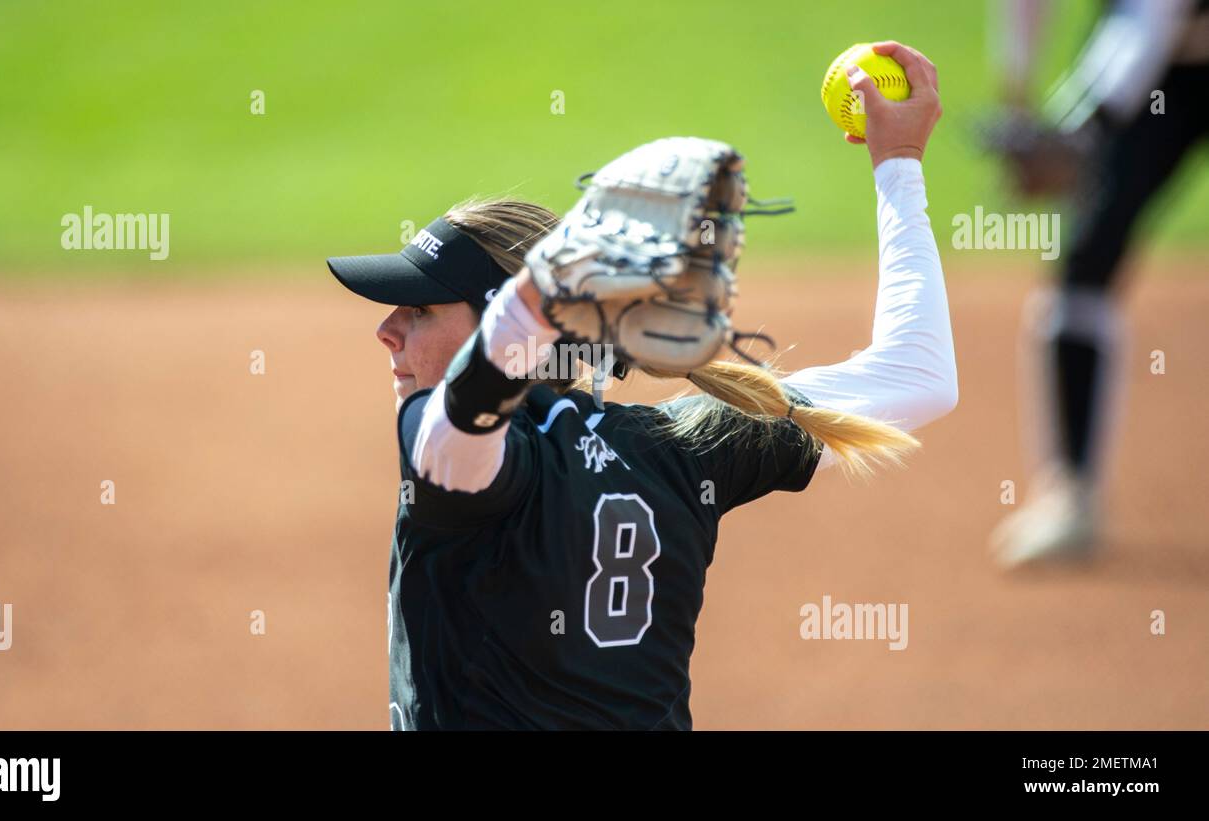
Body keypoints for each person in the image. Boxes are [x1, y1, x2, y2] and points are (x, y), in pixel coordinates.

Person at [327, 41, 956, 729]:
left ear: (506, 321)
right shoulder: (682, 449)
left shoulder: (456, 449)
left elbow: (470, 417)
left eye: (420, 310)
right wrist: (899, 166)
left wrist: (541, 293)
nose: (387, 330)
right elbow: (919, 374)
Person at [987, 0, 1209, 567]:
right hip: (1165, 74)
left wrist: (1083, 129)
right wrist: (1018, 99)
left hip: (1153, 42)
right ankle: (1070, 497)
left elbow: (1156, 13)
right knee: (1083, 264)